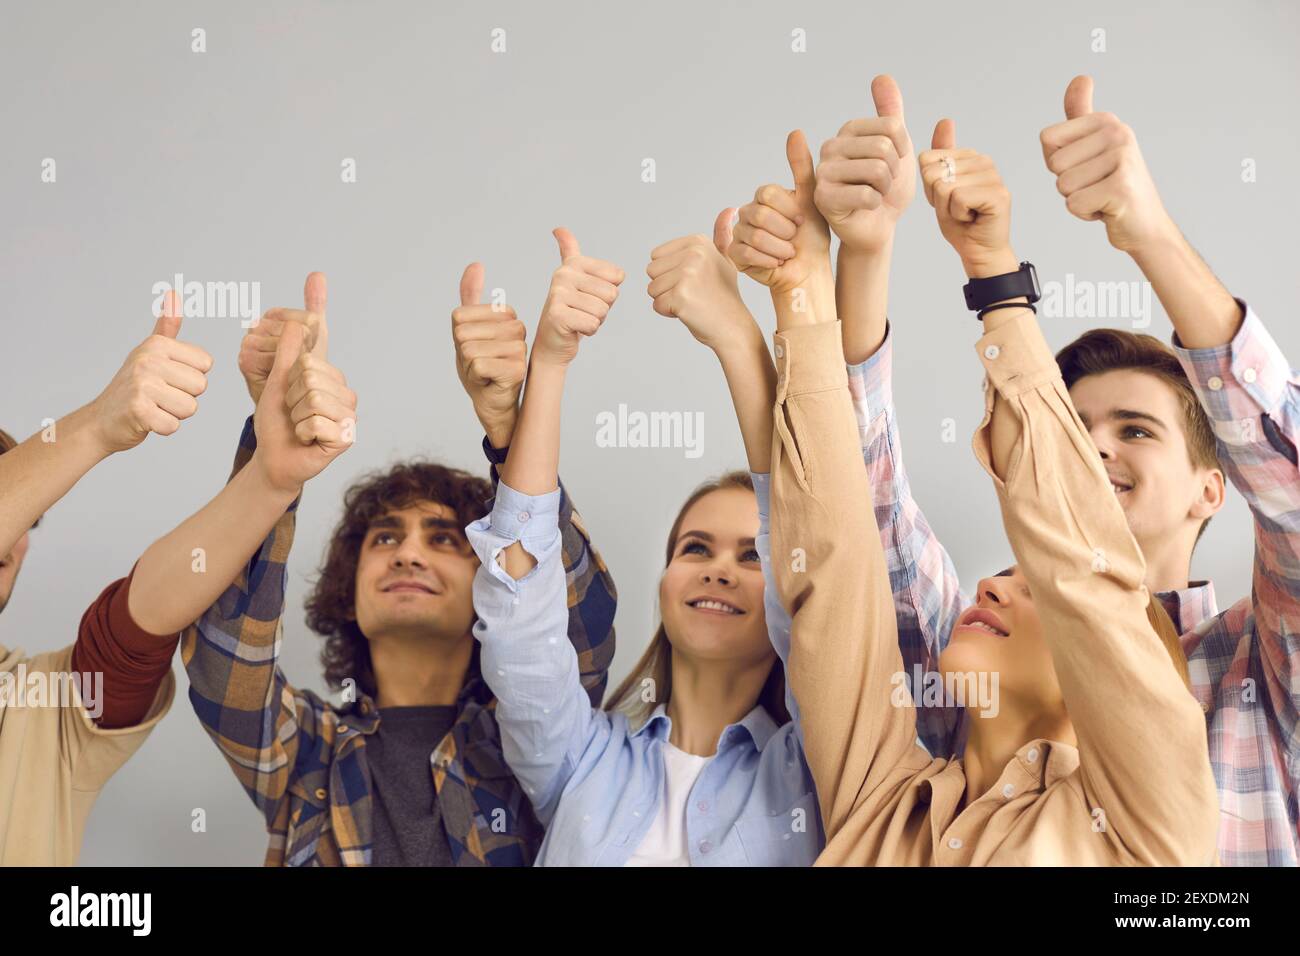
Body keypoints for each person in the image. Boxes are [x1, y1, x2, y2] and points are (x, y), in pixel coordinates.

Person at [817, 74, 1298, 865]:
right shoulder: (978, 649)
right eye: (1074, 431)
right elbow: (862, 513)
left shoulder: (1260, 669)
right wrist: (866, 252)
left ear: (1211, 489)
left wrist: (1148, 232)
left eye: (1134, 429)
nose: (1097, 449)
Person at [731, 121, 1218, 864]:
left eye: (1037, 590)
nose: (992, 583)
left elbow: (1082, 572)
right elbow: (832, 570)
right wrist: (801, 296)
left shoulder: (1148, 826)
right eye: (1009, 576)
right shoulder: (887, 804)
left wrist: (995, 275)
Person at [182, 262, 617, 866]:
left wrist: (510, 432)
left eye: (443, 539)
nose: (409, 552)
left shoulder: (541, 740)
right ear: (349, 587)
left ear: (492, 580)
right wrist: (273, 462)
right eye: (385, 539)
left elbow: (581, 627)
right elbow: (220, 657)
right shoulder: (307, 752)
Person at [467, 225, 821, 866]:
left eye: (752, 555)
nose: (719, 570)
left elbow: (816, 556)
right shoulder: (580, 758)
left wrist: (737, 339)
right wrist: (550, 362)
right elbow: (518, 616)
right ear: (664, 582)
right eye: (695, 549)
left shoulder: (815, 771)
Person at [0, 295, 205, 864]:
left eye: (26, 516)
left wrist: (273, 473)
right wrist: (97, 424)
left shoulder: (47, 705)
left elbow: (146, 616)